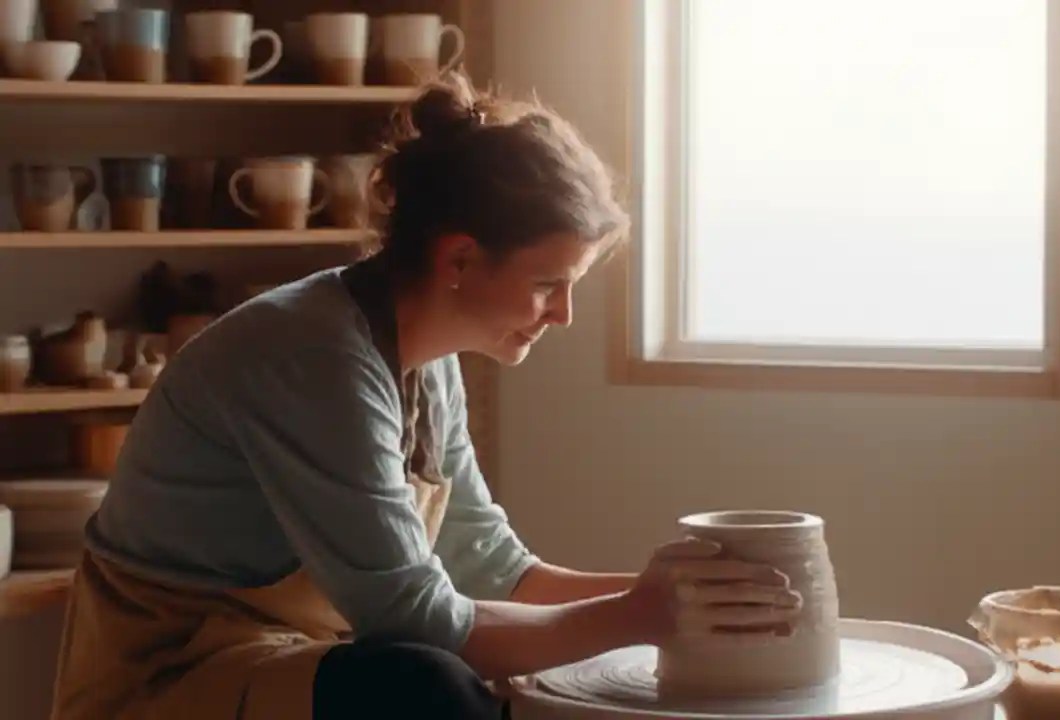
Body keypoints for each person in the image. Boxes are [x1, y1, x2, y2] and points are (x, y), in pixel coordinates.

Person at [49, 74, 802, 720]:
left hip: (286, 653)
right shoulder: (312, 356)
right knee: (424, 683)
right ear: (460, 259)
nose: (563, 314)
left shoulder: (425, 355)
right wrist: (639, 616)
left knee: (524, 673)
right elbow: (421, 621)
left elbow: (491, 566)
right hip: (166, 680)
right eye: (548, 284)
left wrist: (689, 597)